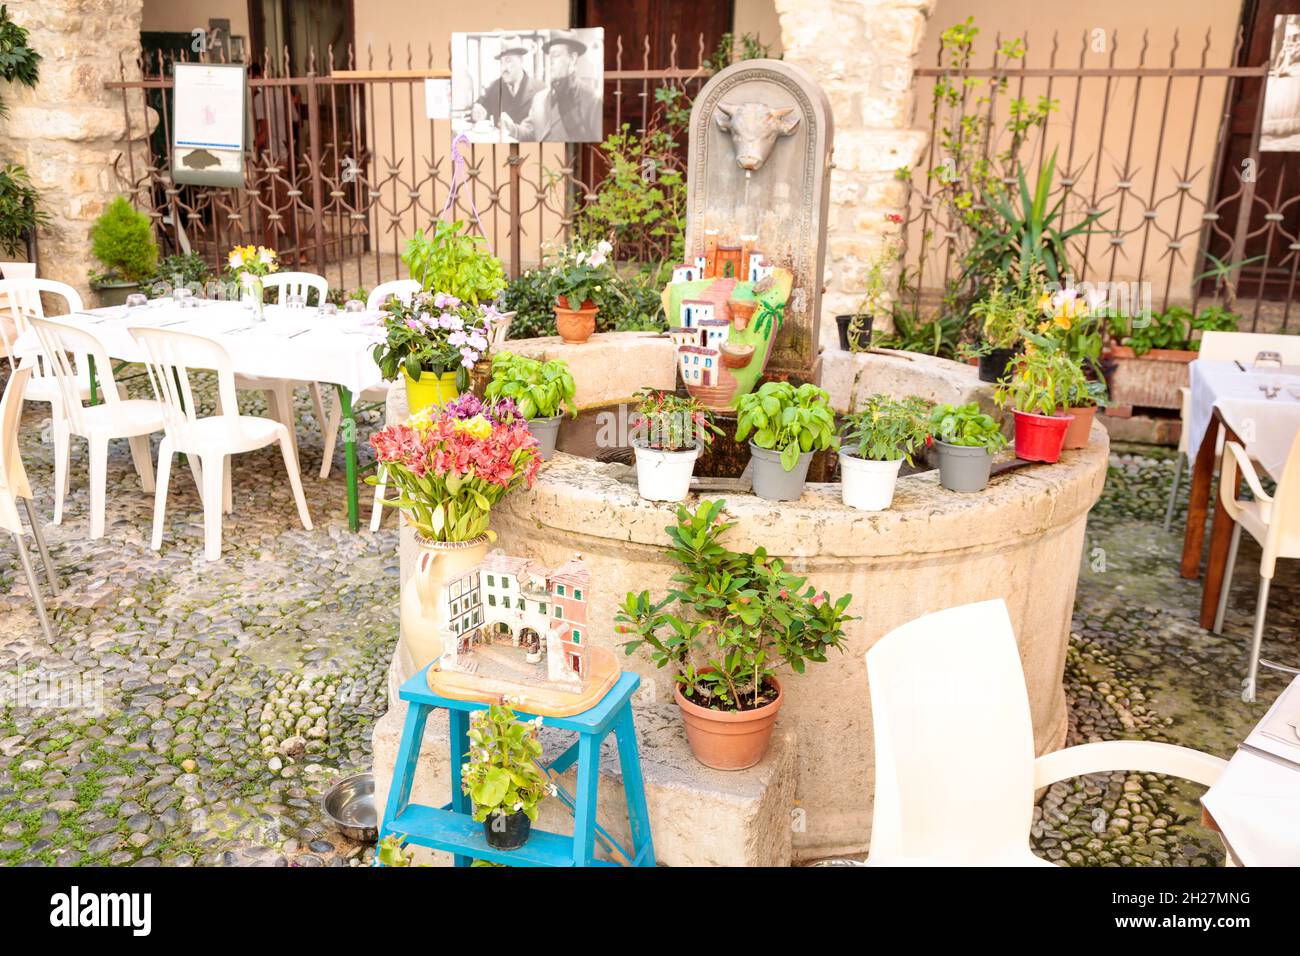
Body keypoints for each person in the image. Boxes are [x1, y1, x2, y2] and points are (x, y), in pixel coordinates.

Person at [510, 30, 602, 143]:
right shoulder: (539, 98)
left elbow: (599, 148)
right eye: (550, 56)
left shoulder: (593, 99)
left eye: (556, 55)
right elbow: (531, 134)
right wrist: (511, 128)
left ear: (572, 59)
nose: (551, 61)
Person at [470, 37, 543, 128]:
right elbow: (481, 105)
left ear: (521, 61)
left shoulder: (540, 90)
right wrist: (477, 110)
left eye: (508, 61)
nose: (503, 68)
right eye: (501, 63)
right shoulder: (495, 86)